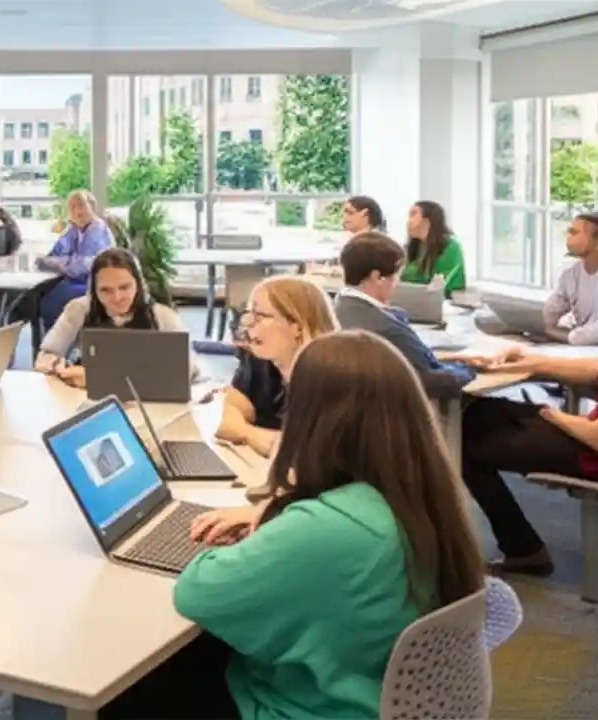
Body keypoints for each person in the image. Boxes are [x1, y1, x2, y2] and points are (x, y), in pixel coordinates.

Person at [177, 330, 485, 720]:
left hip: (306, 708)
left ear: (314, 420)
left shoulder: (330, 528)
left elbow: (196, 593)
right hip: (374, 695)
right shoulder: (423, 498)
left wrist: (273, 528)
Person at [457, 257, 598, 576]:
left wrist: (552, 415)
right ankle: (522, 549)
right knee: (480, 410)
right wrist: (532, 362)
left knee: (458, 443)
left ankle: (524, 551)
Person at [34, 246, 200, 388]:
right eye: (105, 290)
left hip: (147, 404)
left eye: (124, 287)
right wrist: (56, 366)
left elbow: (189, 372)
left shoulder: (163, 317)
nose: (117, 297)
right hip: (85, 402)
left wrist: (98, 379)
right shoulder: (79, 309)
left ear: (139, 285)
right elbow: (46, 355)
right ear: (93, 290)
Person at [216, 276, 338, 457]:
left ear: (297, 327)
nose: (247, 323)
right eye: (249, 313)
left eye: (260, 316)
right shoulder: (259, 362)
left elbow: (308, 452)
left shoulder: (332, 377)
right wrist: (251, 432)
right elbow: (225, 415)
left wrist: (247, 432)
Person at [335, 231, 475, 388]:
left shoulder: (337, 309)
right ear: (377, 277)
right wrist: (469, 367)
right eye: (396, 276)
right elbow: (430, 378)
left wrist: (455, 359)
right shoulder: (389, 329)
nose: (397, 284)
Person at [544, 213, 598, 346]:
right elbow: (553, 310)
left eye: (574, 233)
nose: (568, 238)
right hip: (584, 346)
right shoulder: (570, 273)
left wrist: (565, 335)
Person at [35, 189, 113, 332]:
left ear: (92, 206)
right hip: (73, 280)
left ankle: (57, 341)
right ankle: (46, 340)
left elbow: (82, 266)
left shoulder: (98, 229)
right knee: (38, 294)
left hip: (92, 283)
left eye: (81, 205)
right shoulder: (73, 229)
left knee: (50, 303)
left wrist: (57, 263)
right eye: (72, 207)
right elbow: (56, 253)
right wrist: (52, 261)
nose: (77, 211)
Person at [401, 200, 466, 295]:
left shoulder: (450, 247)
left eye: (413, 215)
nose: (408, 222)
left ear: (427, 221)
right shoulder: (412, 248)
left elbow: (448, 284)